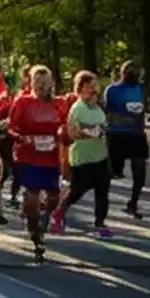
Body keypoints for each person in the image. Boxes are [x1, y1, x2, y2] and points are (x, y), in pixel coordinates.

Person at [8, 65, 67, 262]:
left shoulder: (59, 104)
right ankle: (36, 234)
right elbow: (11, 128)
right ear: (30, 83)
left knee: (53, 197)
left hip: (51, 156)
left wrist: (62, 136)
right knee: (32, 196)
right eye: (37, 82)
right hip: (28, 156)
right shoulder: (23, 102)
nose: (41, 86)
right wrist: (23, 138)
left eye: (45, 82)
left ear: (52, 83)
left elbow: (67, 126)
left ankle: (44, 217)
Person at [57, 71, 113, 237]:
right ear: (80, 90)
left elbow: (105, 125)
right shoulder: (77, 109)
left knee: (103, 188)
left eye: (94, 86)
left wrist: (104, 132)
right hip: (82, 157)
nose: (93, 91)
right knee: (78, 189)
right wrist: (90, 132)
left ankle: (100, 222)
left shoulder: (99, 107)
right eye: (88, 88)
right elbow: (72, 133)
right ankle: (59, 211)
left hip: (100, 155)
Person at [104, 60, 149, 219]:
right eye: (130, 71)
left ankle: (133, 203)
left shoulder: (141, 89)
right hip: (117, 135)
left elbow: (146, 108)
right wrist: (123, 119)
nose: (133, 75)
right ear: (122, 73)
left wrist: (144, 116)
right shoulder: (113, 90)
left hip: (136, 135)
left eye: (136, 72)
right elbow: (107, 112)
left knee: (140, 170)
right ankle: (102, 203)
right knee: (110, 173)